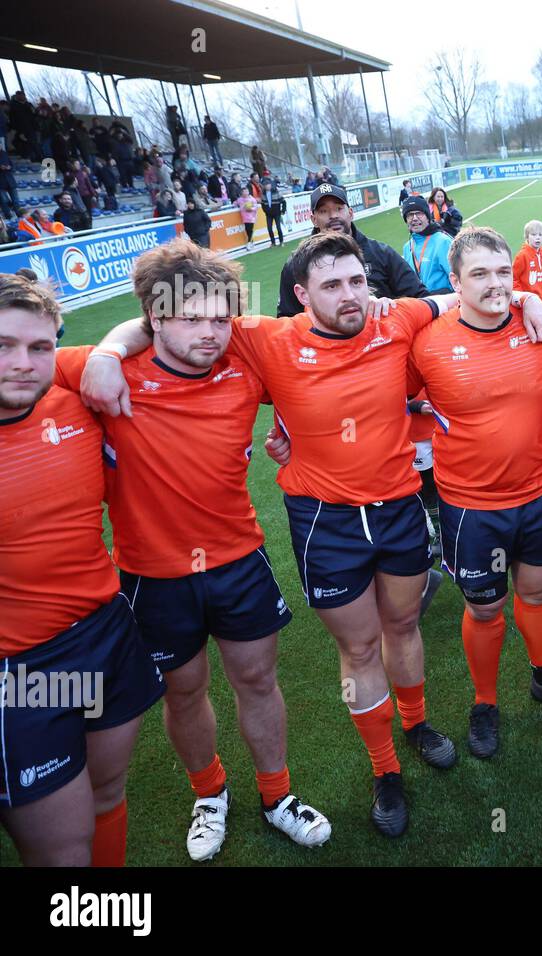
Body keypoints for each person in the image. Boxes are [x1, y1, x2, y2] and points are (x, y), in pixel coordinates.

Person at [82, 233, 484, 838]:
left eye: (357, 282)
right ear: (299, 296)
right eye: (332, 285)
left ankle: (417, 721)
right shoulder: (264, 340)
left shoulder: (393, 316)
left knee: (401, 627)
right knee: (357, 650)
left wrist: (534, 301)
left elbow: (461, 300)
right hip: (326, 522)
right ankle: (384, 770)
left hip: (400, 505)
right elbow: (154, 324)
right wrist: (108, 354)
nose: (350, 296)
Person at [55, 240, 330, 860]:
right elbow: (20, 365)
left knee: (258, 679)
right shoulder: (106, 371)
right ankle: (210, 793)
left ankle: (277, 794)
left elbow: (318, 352)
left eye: (218, 316)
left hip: (239, 562)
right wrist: (104, 351)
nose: (211, 332)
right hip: (152, 575)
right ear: (155, 317)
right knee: (185, 691)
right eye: (191, 317)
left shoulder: (245, 362)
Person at [408, 227, 542, 758]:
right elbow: (385, 396)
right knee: (486, 610)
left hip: (540, 495)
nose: (494, 284)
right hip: (471, 509)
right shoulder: (428, 343)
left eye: (501, 273)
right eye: (479, 274)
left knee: (536, 595)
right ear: (455, 281)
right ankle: (485, 702)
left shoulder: (537, 327)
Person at [0, 275, 165, 865]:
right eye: (4, 346)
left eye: (39, 347)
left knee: (107, 794)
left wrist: (105, 353)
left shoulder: (66, 386)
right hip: (18, 672)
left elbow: (152, 325)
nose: (23, 363)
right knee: (64, 850)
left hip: (106, 632)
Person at [276, 183, 428, 317]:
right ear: (313, 219)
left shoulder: (381, 253)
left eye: (339, 208)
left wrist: (393, 306)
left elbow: (421, 296)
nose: (333, 215)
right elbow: (287, 319)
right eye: (323, 211)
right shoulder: (296, 265)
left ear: (350, 213)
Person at [401, 196, 453, 295]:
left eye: (419, 213)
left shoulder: (443, 241)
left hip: (444, 304)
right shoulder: (407, 247)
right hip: (421, 305)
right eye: (410, 215)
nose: (414, 218)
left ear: (428, 217)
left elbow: (459, 279)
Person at [512, 220, 542, 302]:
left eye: (540, 235)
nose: (538, 237)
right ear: (527, 237)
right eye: (534, 235)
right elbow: (513, 279)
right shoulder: (522, 255)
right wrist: (522, 298)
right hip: (529, 303)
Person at [261, 175, 286, 246]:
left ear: (270, 185)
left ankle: (281, 241)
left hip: (277, 213)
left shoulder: (276, 192)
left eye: (268, 184)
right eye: (265, 185)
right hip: (268, 214)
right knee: (269, 228)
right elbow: (263, 204)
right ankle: (273, 242)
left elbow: (283, 201)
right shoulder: (263, 194)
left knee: (278, 227)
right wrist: (266, 211)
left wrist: (283, 210)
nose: (267, 186)